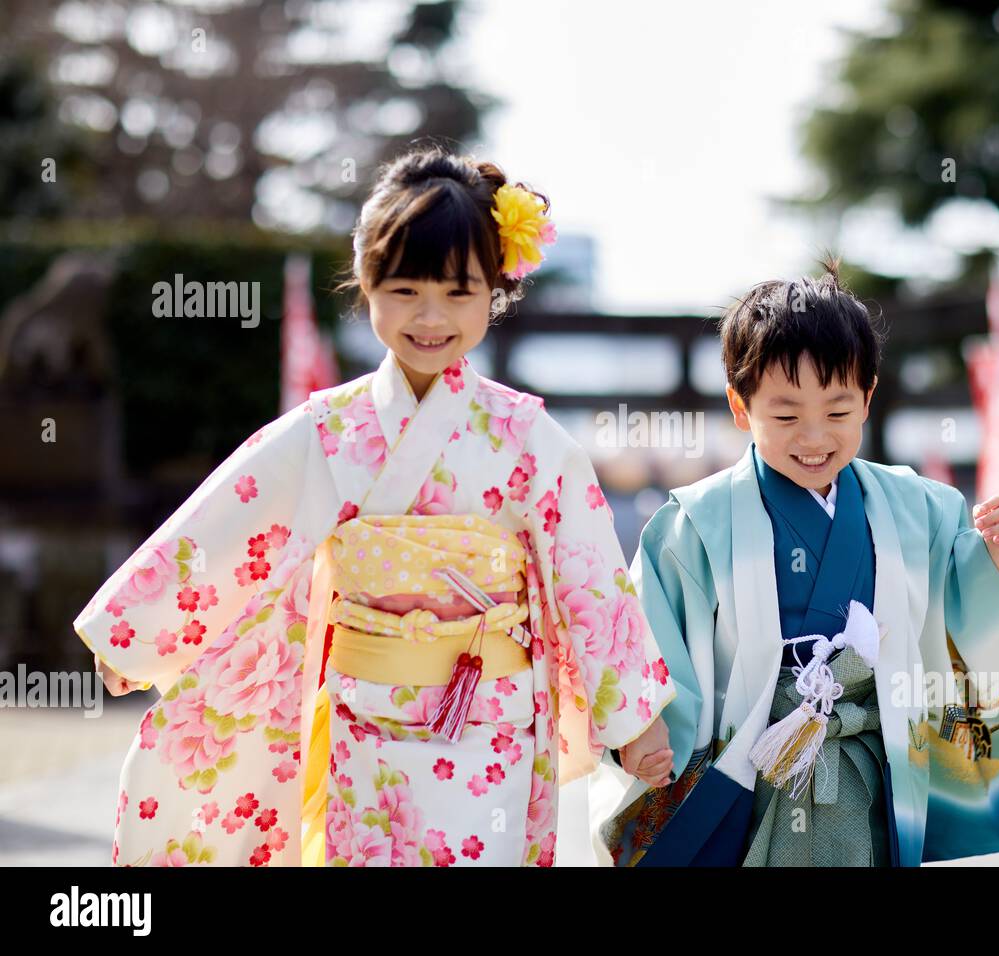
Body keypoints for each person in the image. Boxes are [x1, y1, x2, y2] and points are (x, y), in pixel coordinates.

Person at [76, 145, 679, 867]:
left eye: (459, 293)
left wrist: (635, 722)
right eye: (405, 291)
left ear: (495, 291)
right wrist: (141, 633)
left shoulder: (529, 441)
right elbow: (234, 523)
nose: (431, 317)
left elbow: (589, 579)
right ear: (366, 285)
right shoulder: (328, 429)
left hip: (492, 726)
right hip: (368, 718)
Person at [597, 260, 999, 866]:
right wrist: (642, 726)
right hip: (752, 757)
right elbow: (646, 633)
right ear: (740, 408)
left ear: (868, 399)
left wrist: (989, 560)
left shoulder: (921, 507)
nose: (815, 437)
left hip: (871, 754)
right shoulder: (695, 520)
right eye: (787, 415)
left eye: (838, 412)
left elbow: (956, 616)